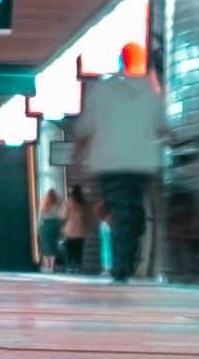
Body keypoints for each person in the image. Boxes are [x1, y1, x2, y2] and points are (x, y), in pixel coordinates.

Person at [73, 42, 170, 282]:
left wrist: (78, 151)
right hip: (139, 163)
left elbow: (87, 127)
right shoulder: (151, 93)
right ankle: (123, 263)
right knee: (133, 213)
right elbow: (162, 126)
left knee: (119, 211)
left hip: (108, 164)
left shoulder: (102, 91)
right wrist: (174, 139)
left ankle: (122, 263)